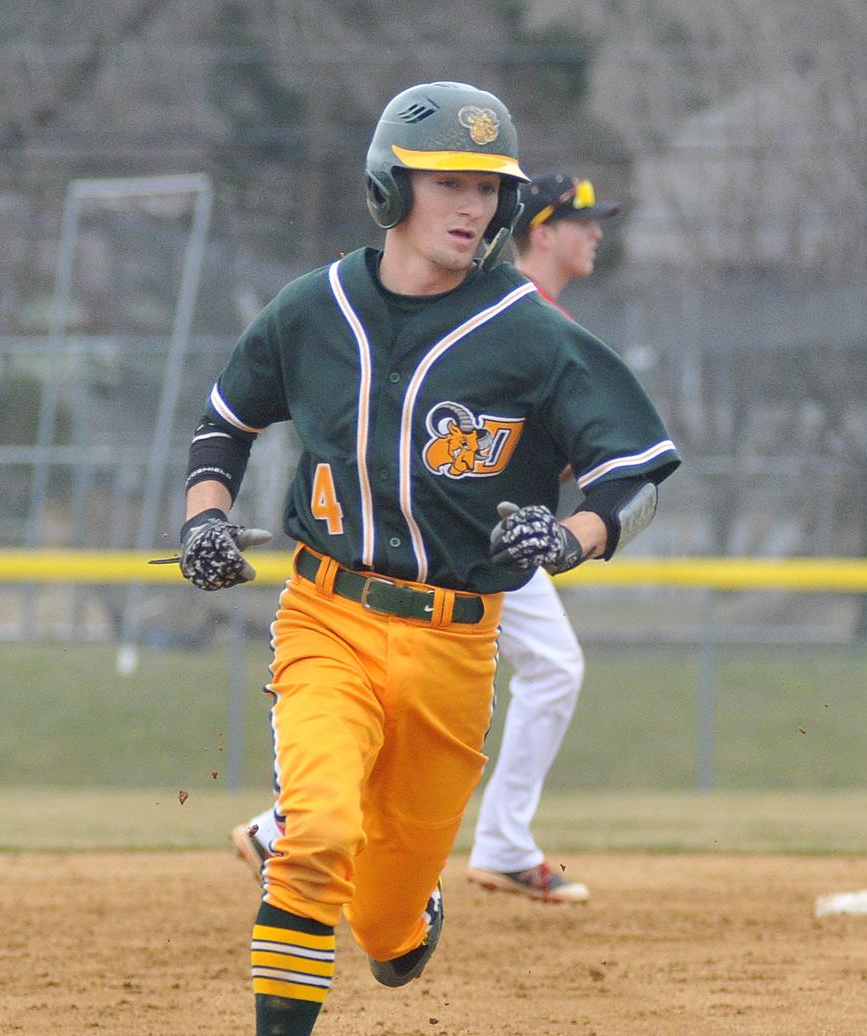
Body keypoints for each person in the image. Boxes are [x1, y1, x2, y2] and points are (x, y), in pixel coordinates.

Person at [173, 81, 679, 1036]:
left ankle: (407, 919)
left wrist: (576, 532)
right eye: (448, 182)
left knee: (390, 928)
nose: (472, 206)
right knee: (315, 836)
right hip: (326, 619)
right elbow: (224, 421)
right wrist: (207, 514)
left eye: (489, 189)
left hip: (456, 648)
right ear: (389, 186)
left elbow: (638, 472)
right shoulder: (313, 310)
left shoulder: (530, 334)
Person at [227, 170, 623, 906]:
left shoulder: (528, 317)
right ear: (542, 229)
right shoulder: (504, 309)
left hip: (492, 538)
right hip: (457, 546)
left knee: (508, 676)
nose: (597, 232)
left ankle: (299, 826)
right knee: (530, 669)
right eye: (583, 219)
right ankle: (315, 828)